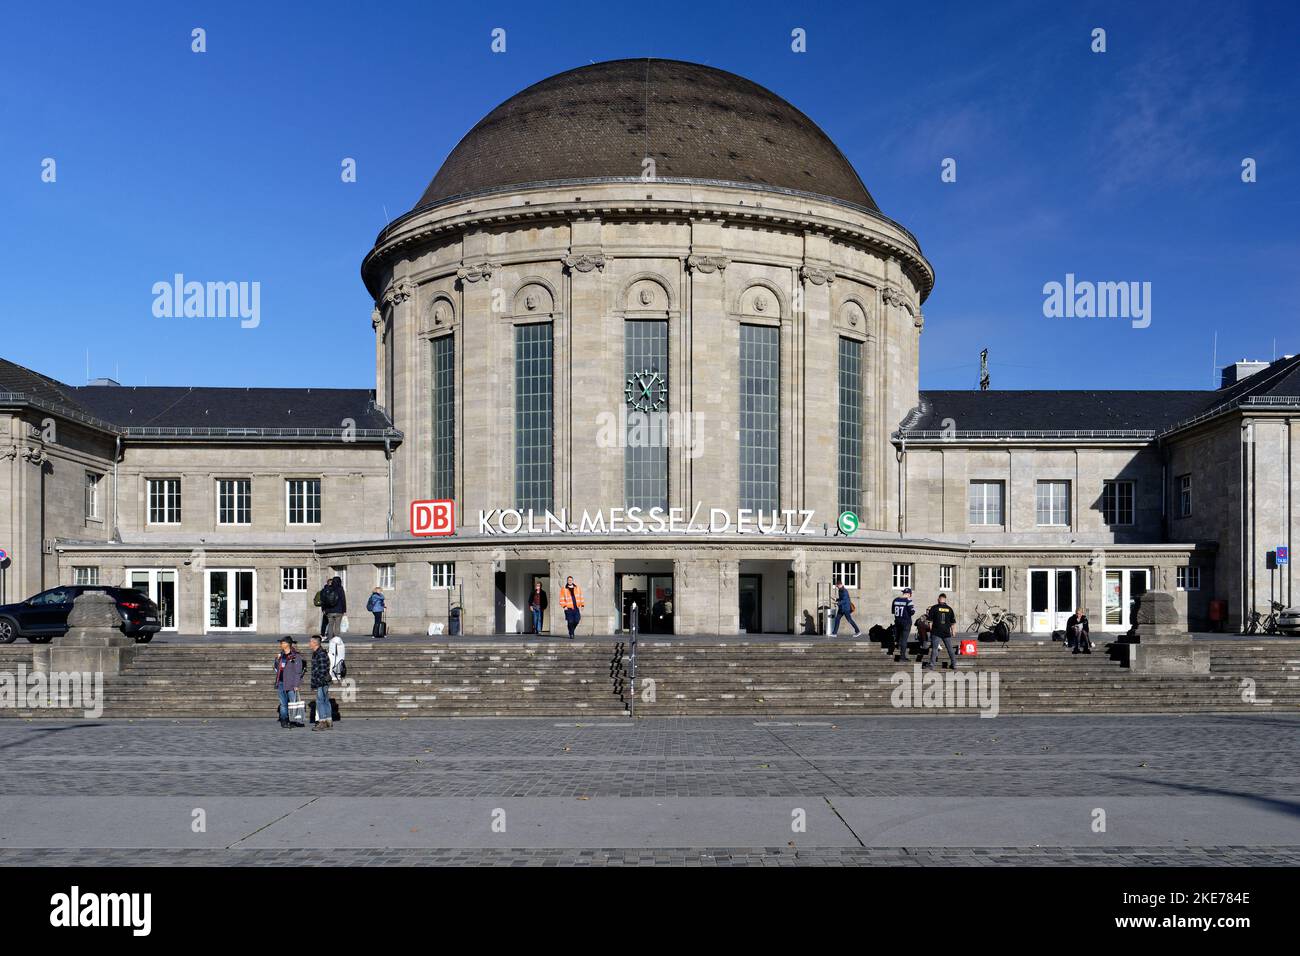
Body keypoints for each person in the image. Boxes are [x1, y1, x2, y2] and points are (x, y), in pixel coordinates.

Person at [273, 636, 305, 728]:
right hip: (281, 682)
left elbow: (298, 672)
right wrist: (276, 660)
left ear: (288, 644)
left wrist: (296, 684)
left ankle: (293, 720)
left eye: (283, 643)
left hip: (291, 684)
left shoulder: (296, 656)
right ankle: (284, 720)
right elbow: (276, 668)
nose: (281, 644)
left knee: (292, 703)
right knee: (283, 703)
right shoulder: (281, 655)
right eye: (281, 643)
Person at [925, 593, 958, 670]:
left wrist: (930, 630)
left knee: (935, 648)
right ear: (945, 599)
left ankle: (932, 665)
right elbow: (953, 623)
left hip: (936, 631)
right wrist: (953, 631)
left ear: (938, 599)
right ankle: (954, 664)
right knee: (950, 648)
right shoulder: (950, 609)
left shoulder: (934, 608)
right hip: (946, 631)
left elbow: (930, 621)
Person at [308, 635, 333, 730]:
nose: (309, 644)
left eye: (310, 642)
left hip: (321, 682)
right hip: (322, 681)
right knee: (325, 700)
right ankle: (328, 721)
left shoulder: (320, 654)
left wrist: (318, 682)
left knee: (320, 701)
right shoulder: (318, 653)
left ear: (315, 643)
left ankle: (322, 721)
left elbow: (323, 670)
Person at [890, 587, 916, 661]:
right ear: (909, 594)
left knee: (899, 636)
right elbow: (912, 612)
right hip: (906, 622)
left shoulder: (895, 600)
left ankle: (897, 647)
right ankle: (902, 657)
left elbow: (893, 611)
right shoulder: (908, 601)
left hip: (897, 621)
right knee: (904, 639)